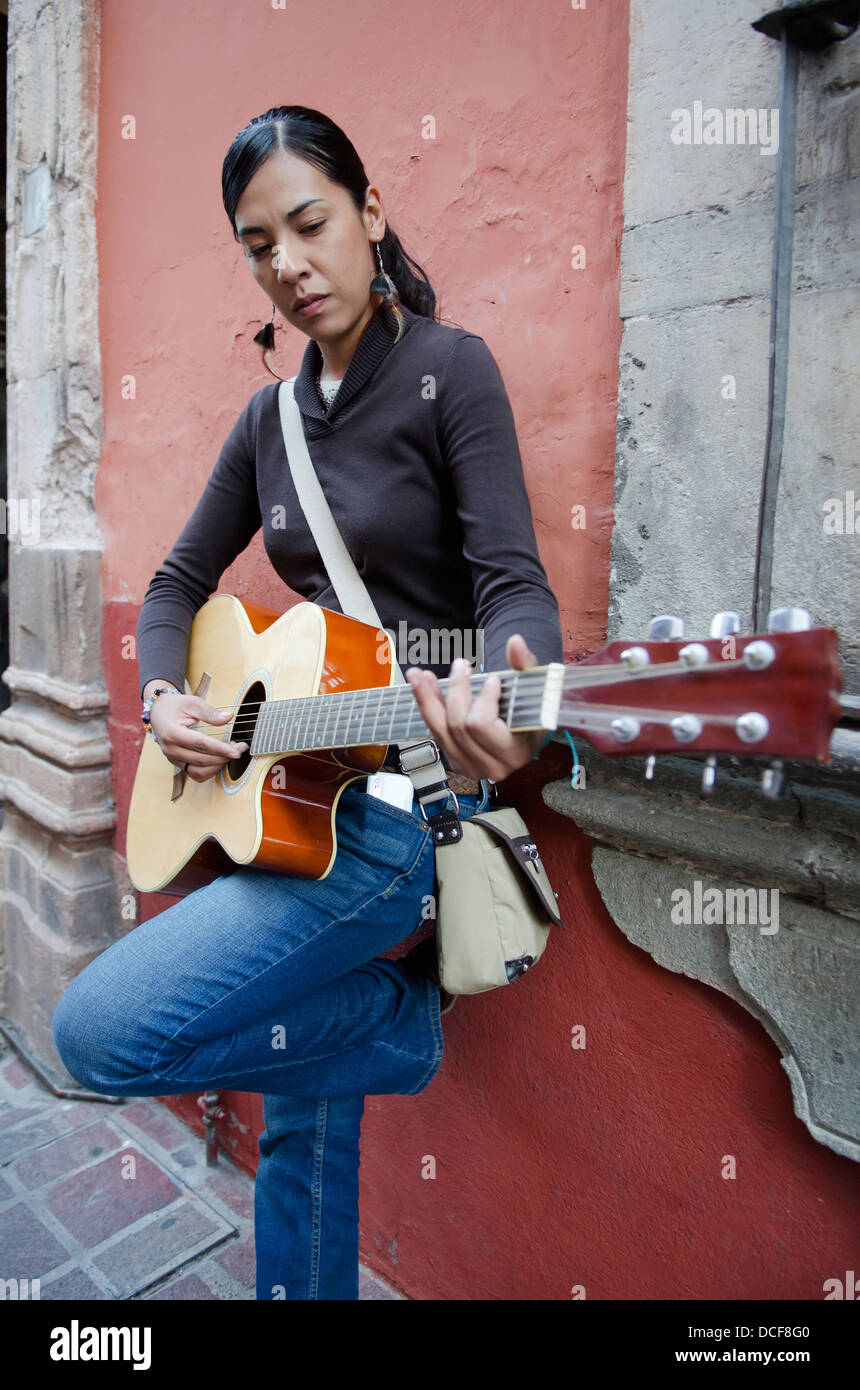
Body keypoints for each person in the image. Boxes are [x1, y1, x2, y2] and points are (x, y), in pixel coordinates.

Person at [52, 105, 563, 1300]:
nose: (286, 262)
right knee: (300, 1110)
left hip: (401, 815)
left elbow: (513, 581)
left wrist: (511, 691)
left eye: (308, 223)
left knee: (102, 1033)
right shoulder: (266, 421)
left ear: (370, 214)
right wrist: (167, 693)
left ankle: (405, 1025)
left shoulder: (450, 370)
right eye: (255, 243)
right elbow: (177, 584)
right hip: (284, 797)